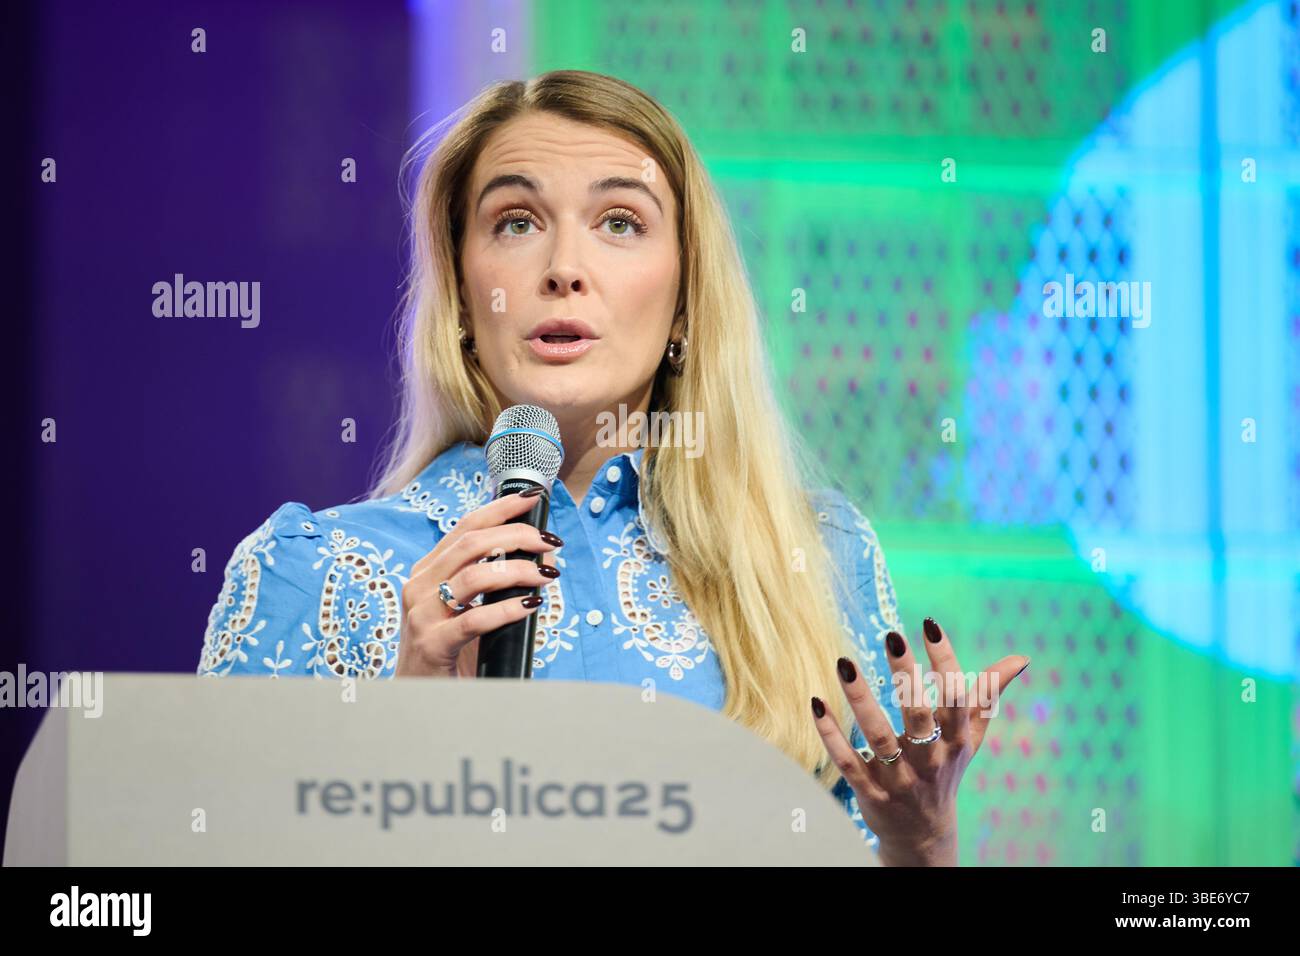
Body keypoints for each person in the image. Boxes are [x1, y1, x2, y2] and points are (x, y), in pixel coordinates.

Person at [197, 69, 1028, 865]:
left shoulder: (813, 559)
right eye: (516, 221)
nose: (564, 268)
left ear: (683, 298)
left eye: (620, 222)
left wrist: (922, 850)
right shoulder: (311, 574)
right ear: (459, 292)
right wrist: (407, 745)